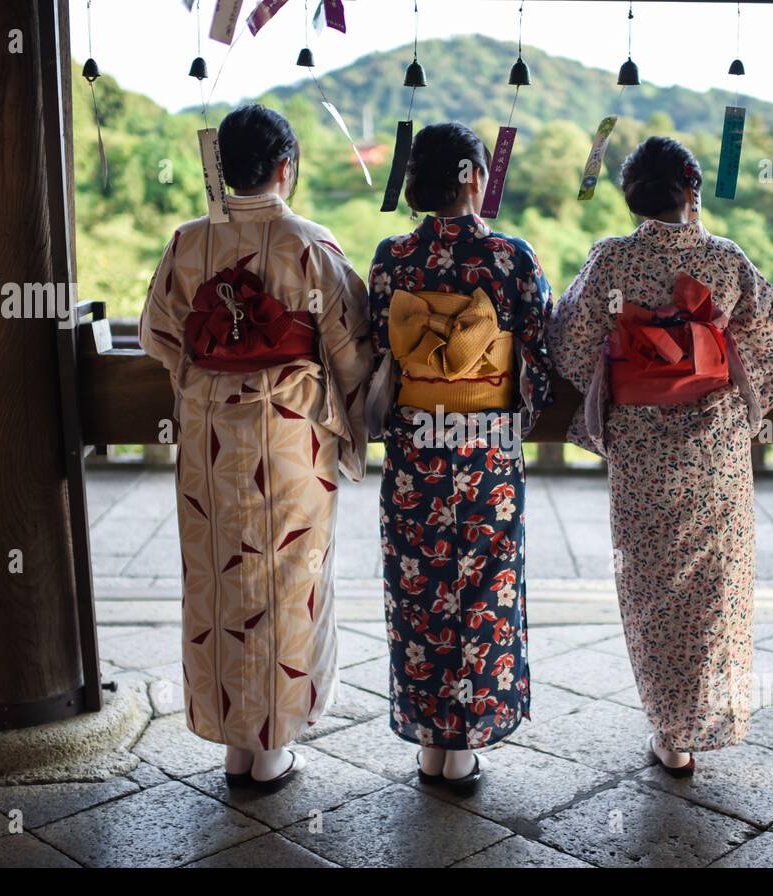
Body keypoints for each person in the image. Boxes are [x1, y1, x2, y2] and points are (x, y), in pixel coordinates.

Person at [139, 104, 372, 790]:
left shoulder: (188, 242)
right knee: (285, 579)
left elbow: (158, 335)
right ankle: (270, 750)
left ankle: (233, 743)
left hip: (210, 441)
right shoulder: (310, 244)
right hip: (289, 439)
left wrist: (215, 364)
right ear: (284, 168)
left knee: (218, 581)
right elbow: (353, 354)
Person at [548, 135, 773, 776]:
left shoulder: (609, 261)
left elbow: (569, 345)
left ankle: (670, 730)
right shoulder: (725, 259)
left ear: (632, 196)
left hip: (639, 449)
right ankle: (703, 718)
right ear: (692, 188)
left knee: (651, 586)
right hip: (713, 447)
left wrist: (631, 362)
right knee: (716, 585)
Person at [366, 122, 554, 792]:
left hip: (417, 448)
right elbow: (538, 349)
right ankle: (463, 745)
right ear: (473, 175)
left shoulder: (390, 260)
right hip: (484, 453)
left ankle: (428, 742)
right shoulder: (511, 257)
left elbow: (373, 344)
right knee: (481, 593)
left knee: (419, 595)